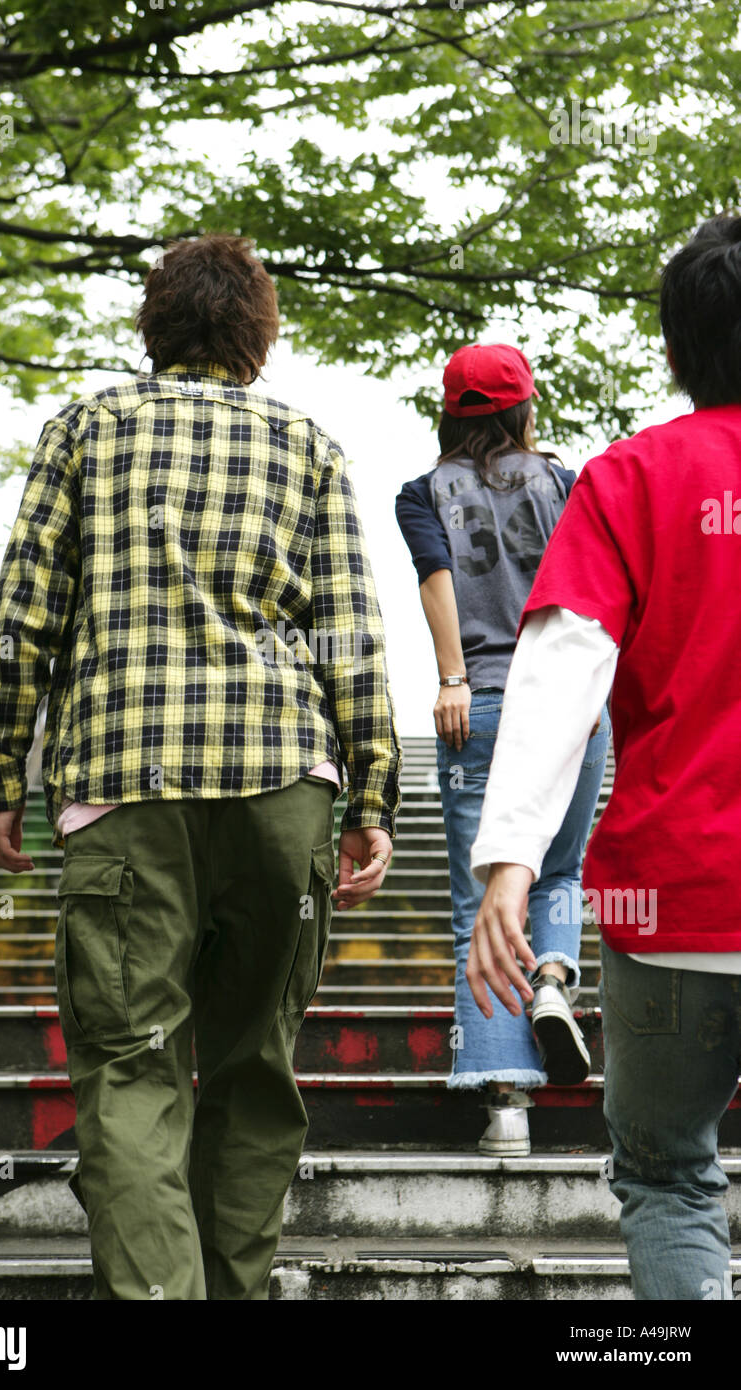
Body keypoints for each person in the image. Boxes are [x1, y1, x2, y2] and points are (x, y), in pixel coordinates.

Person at [0, 233, 401, 1300]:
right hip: (282, 791)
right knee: (253, 1067)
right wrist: (371, 792)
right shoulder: (309, 446)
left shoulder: (85, 431)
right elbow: (350, 633)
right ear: (260, 335)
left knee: (131, 1067)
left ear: (153, 325)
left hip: (124, 790)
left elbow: (23, 617)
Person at [466, 213, 741, 1301]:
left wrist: (510, 858)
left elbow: (557, 674)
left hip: (670, 904)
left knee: (668, 1176)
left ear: (673, 352)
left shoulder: (630, 478)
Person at [395, 344, 608, 1156]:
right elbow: (590, 589)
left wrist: (452, 677)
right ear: (526, 407)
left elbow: (436, 577)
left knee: (480, 899)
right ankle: (551, 978)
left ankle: (506, 1107)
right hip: (569, 702)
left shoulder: (423, 493)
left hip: (479, 704)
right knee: (559, 870)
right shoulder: (568, 483)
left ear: (448, 412)